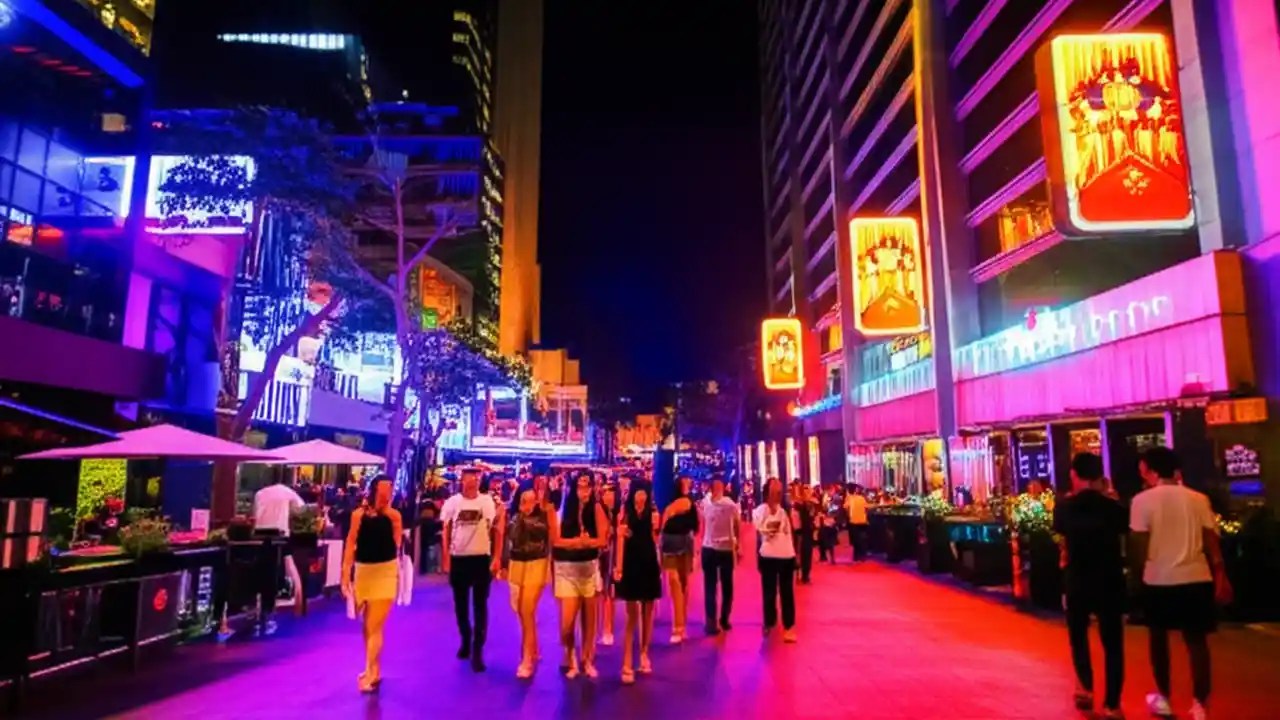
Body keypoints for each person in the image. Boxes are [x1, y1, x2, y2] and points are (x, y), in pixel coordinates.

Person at [1131, 447, 1231, 720]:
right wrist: (1220, 573)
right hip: (1196, 577)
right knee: (1197, 642)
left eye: (1143, 469)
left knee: (1158, 639)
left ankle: (1164, 697)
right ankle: (1200, 704)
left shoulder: (1142, 501)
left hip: (1158, 579)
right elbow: (1211, 539)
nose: (1142, 474)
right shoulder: (1198, 499)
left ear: (1151, 471)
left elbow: (1139, 545)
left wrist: (1136, 577)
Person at [1054, 453, 1128, 719]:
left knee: (1078, 636)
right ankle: (1112, 704)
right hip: (1109, 580)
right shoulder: (1114, 507)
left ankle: (1085, 687)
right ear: (1099, 476)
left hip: (1077, 580)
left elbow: (1061, 534)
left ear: (1074, 474)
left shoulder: (1064, 507)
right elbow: (1124, 533)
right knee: (1113, 644)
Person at [341, 474, 402, 693]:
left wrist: (387, 517)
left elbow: (396, 544)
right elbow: (350, 543)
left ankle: (369, 671)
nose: (387, 494)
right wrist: (345, 572)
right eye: (383, 490)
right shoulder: (358, 515)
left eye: (390, 490)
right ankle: (375, 668)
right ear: (374, 490)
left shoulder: (395, 516)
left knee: (375, 624)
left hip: (385, 571)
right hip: (363, 571)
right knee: (366, 625)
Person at [441, 468, 503, 672]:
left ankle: (478, 649)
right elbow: (446, 530)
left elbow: (495, 529)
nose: (472, 483)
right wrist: (446, 557)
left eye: (475, 480)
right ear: (462, 482)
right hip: (459, 557)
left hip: (480, 557)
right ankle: (465, 638)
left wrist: (496, 557)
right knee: (460, 604)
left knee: (480, 605)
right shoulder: (453, 502)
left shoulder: (486, 502)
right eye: (468, 480)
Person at [552, 472, 609, 679]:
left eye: (588, 486)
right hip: (567, 569)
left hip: (588, 567)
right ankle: (570, 655)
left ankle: (586, 659)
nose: (584, 491)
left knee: (589, 619)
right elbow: (556, 540)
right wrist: (576, 543)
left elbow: (602, 540)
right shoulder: (564, 509)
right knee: (567, 623)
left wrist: (588, 543)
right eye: (580, 486)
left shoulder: (596, 508)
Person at [613, 480, 662, 684]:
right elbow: (621, 540)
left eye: (644, 493)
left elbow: (655, 539)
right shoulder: (625, 513)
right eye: (638, 493)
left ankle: (643, 653)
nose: (640, 496)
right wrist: (619, 567)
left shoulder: (653, 512)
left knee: (648, 611)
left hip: (649, 562)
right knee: (631, 615)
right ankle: (626, 662)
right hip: (631, 564)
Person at [507, 481, 555, 679]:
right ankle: (533, 647)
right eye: (524, 500)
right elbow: (510, 538)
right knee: (519, 609)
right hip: (517, 563)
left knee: (527, 608)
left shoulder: (546, 512)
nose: (528, 504)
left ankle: (526, 657)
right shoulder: (513, 515)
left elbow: (550, 537)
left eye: (531, 500)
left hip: (538, 561)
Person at [250, 477, 305, 637]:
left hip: (258, 537)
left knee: (262, 571)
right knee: (288, 566)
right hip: (279, 536)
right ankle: (298, 603)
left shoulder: (259, 493)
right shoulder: (286, 491)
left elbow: (255, 515)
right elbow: (301, 509)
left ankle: (259, 608)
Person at [753, 477, 797, 642]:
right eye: (774, 490)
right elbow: (760, 530)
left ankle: (789, 626)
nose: (777, 494)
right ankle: (769, 622)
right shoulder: (760, 510)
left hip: (786, 555)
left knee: (787, 593)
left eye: (779, 490)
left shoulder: (785, 510)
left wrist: (795, 554)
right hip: (768, 556)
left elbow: (791, 533)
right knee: (769, 592)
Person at [659, 475, 698, 644]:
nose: (687, 485)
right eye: (684, 483)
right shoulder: (671, 503)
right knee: (674, 581)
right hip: (670, 543)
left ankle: (682, 623)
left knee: (684, 583)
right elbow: (664, 522)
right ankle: (677, 625)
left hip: (685, 543)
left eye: (688, 483)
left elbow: (696, 526)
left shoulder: (691, 503)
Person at [700, 474, 740, 636]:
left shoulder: (706, 502)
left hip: (710, 547)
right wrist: (738, 544)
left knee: (712, 586)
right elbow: (737, 524)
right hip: (723, 548)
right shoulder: (730, 505)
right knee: (726, 586)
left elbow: (702, 522)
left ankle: (713, 621)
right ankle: (722, 619)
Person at [597, 482, 619, 646]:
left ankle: (608, 629)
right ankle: (600, 628)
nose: (608, 496)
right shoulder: (599, 512)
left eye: (610, 493)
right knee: (600, 594)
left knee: (609, 594)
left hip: (613, 555)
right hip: (600, 555)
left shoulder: (619, 514)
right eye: (605, 493)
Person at [794, 485, 818, 584]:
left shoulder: (811, 504)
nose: (808, 492)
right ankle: (799, 575)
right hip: (801, 533)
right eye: (806, 491)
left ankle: (805, 575)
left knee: (807, 555)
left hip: (808, 533)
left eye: (809, 490)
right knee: (800, 554)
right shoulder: (799, 506)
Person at [844, 484, 869, 562]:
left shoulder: (849, 498)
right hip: (862, 521)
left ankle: (857, 556)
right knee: (862, 539)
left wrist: (849, 516)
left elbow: (845, 508)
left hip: (854, 521)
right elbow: (866, 508)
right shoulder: (862, 498)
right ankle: (862, 556)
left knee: (855, 540)